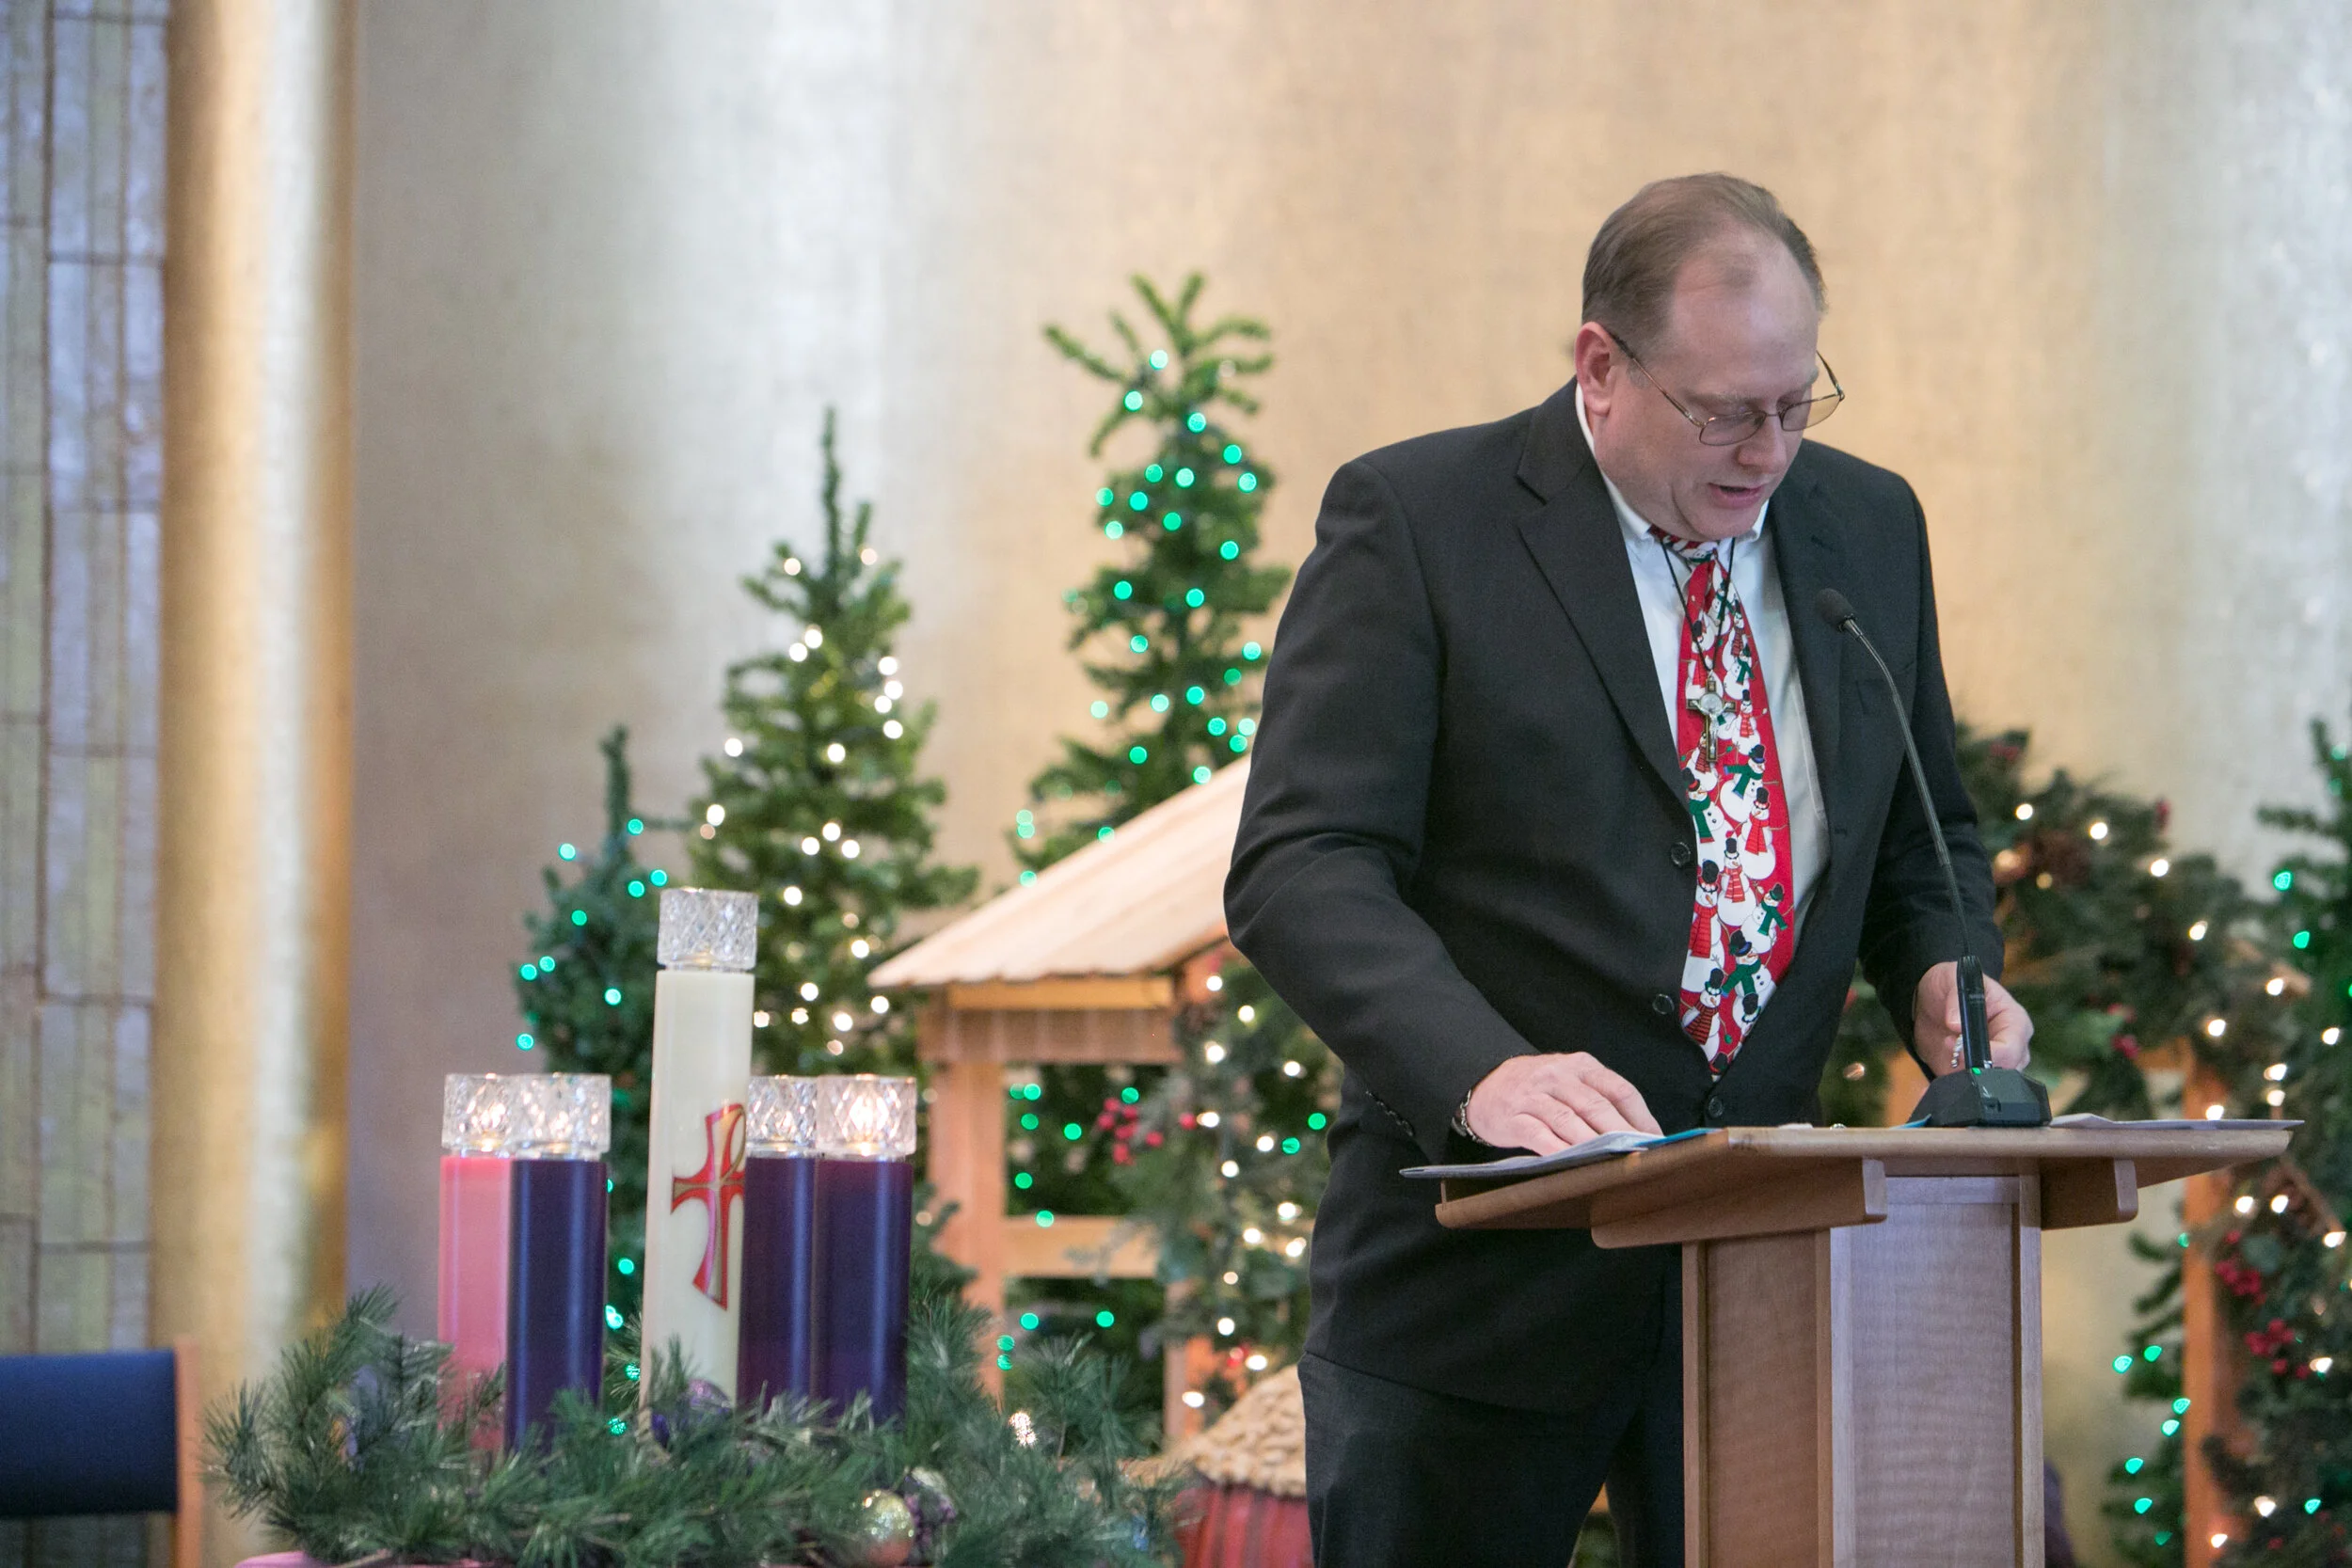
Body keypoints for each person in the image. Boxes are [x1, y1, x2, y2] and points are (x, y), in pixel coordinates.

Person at [1224, 173, 2036, 1567]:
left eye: (1797, 401)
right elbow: (1304, 860)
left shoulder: (1871, 528)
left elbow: (1923, 833)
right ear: (1600, 364)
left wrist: (1948, 974)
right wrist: (1484, 1070)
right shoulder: (1421, 520)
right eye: (1725, 409)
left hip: (1761, 1290)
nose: (1769, 448)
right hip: (1477, 1284)